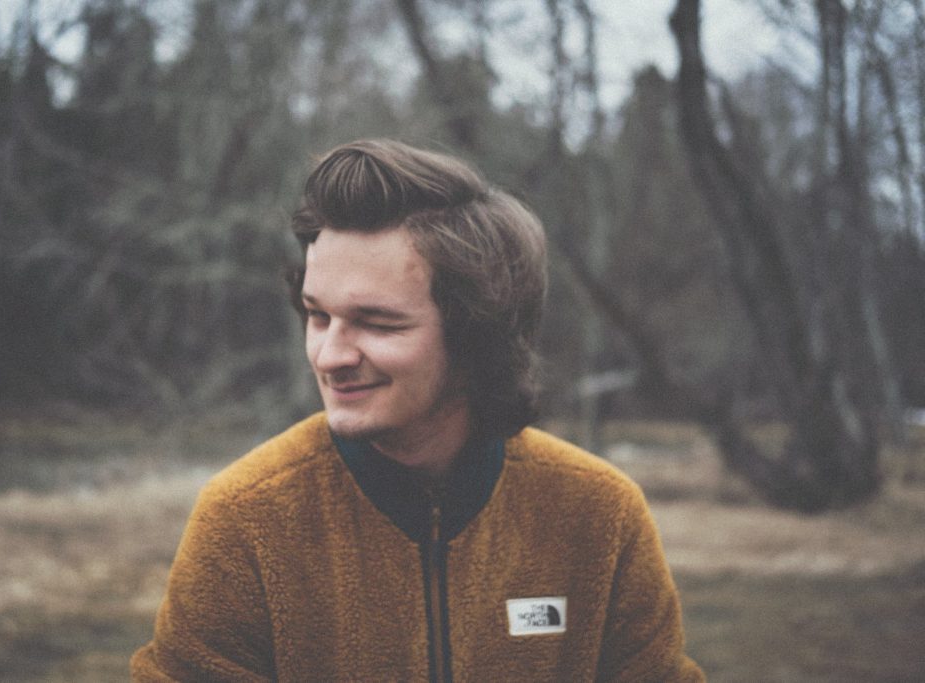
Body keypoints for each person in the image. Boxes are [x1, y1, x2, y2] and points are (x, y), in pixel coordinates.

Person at [131, 139, 704, 682]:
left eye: (377, 323)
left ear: (476, 335)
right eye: (318, 316)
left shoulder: (599, 516)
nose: (329, 356)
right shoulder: (246, 519)